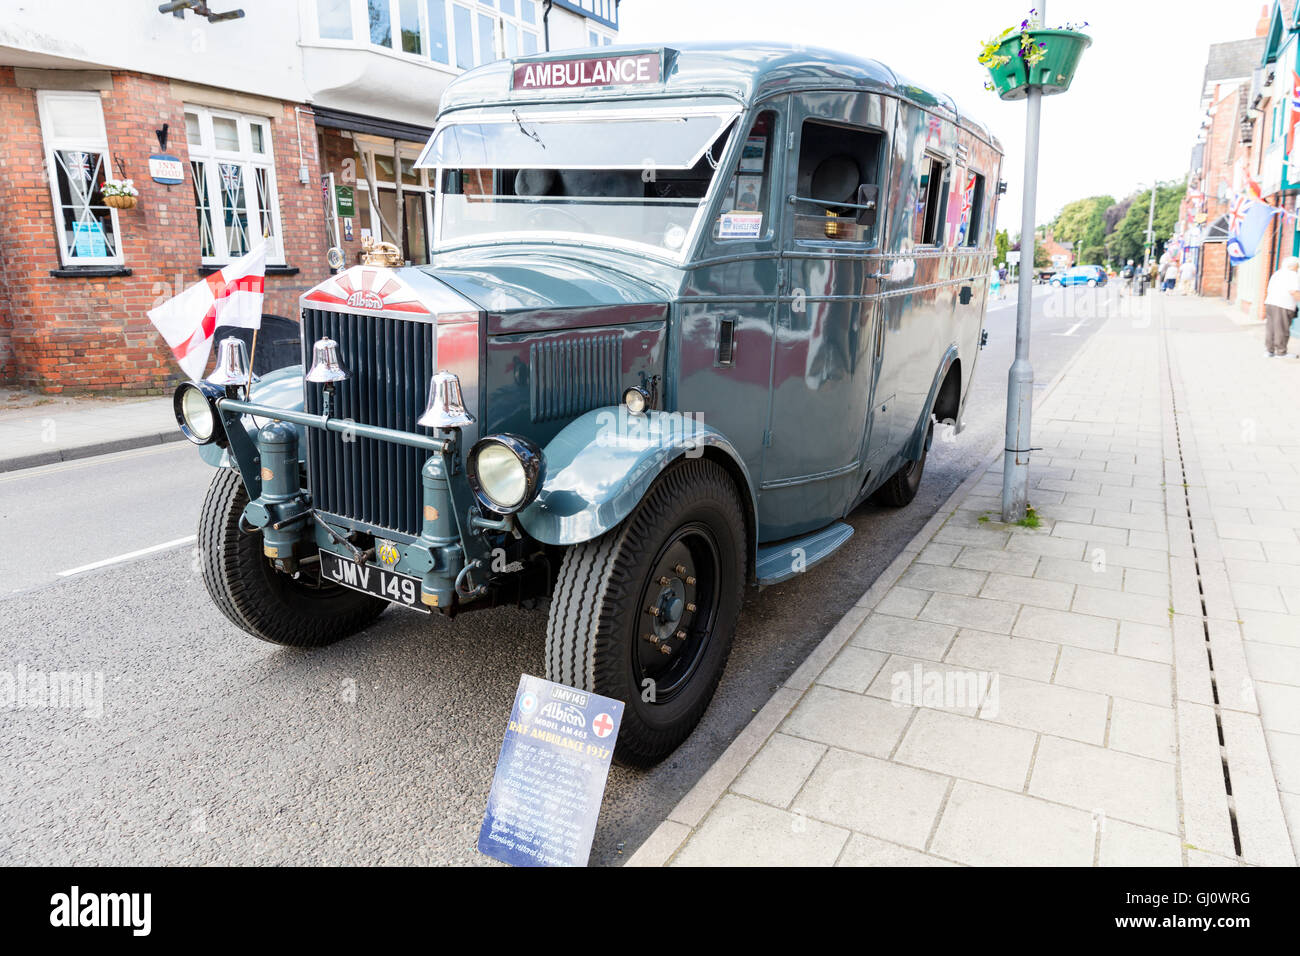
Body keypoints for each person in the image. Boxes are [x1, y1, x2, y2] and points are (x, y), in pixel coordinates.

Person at [1263, 256, 1300, 357]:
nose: (1298, 268)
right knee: (1282, 329)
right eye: (1298, 266)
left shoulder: (1277, 273)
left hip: (1270, 303)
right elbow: (1294, 292)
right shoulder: (1292, 275)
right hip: (1283, 305)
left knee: (1271, 328)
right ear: (1294, 266)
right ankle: (1281, 352)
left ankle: (1269, 351)